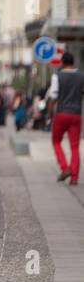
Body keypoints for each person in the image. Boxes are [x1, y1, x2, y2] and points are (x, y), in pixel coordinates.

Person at [48, 52, 84, 184]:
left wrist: (48, 114)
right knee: (75, 146)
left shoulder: (57, 76)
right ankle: (74, 177)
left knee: (56, 141)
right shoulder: (81, 76)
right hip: (76, 114)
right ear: (74, 62)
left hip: (61, 113)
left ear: (62, 63)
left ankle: (65, 168)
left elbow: (53, 96)